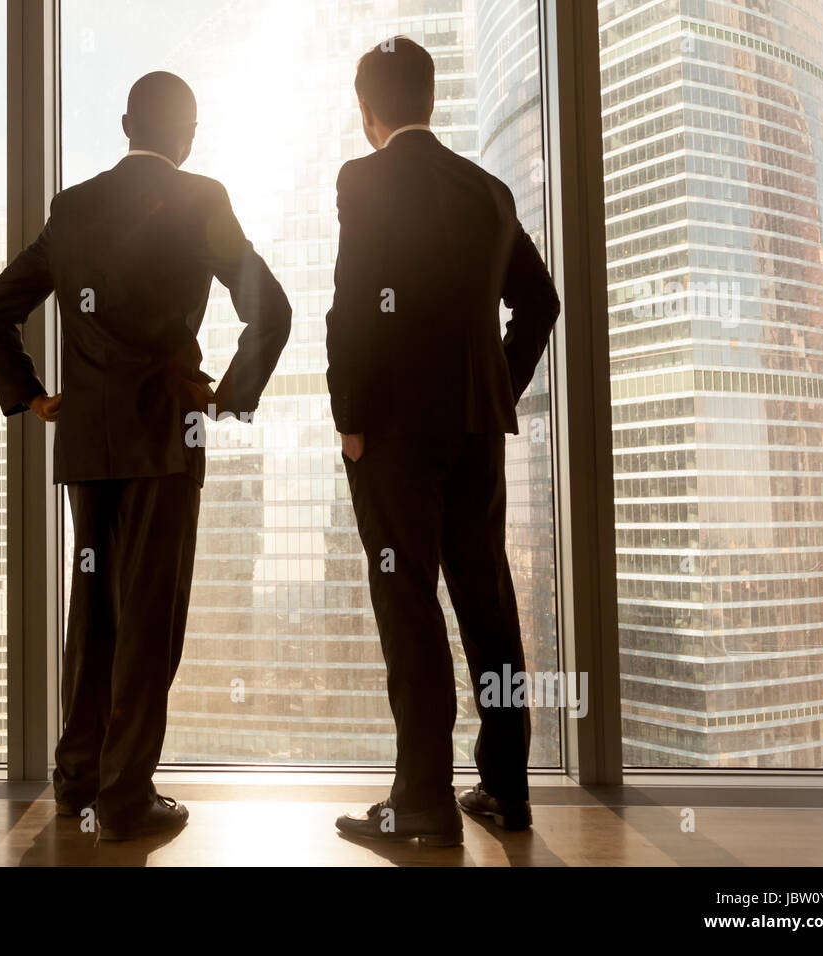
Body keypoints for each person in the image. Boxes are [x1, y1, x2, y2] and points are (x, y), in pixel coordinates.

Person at [0, 71, 290, 841]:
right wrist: (228, 397)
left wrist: (34, 396)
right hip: (166, 433)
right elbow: (270, 309)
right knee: (149, 616)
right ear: (187, 134)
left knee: (96, 610)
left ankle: (77, 777)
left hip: (90, 441)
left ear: (124, 125)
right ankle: (124, 800)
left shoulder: (73, 208)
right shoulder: (202, 198)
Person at [328, 37, 560, 846]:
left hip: (392, 429)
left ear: (368, 111)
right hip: (475, 427)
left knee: (409, 605)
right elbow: (541, 303)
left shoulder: (365, 178)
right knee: (487, 601)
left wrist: (349, 418)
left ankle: (421, 804)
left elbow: (353, 303)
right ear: (430, 99)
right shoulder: (487, 191)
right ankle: (505, 790)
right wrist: (494, 384)